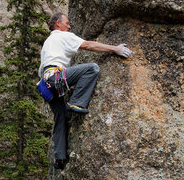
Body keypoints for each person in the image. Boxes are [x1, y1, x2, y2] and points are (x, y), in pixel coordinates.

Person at [39, 12, 133, 169]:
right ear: (58, 24)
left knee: (60, 117)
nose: (69, 26)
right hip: (55, 78)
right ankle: (76, 102)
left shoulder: (49, 41)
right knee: (92, 69)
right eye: (67, 23)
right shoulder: (62, 36)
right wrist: (115, 49)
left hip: (45, 85)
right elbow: (89, 45)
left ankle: (60, 158)